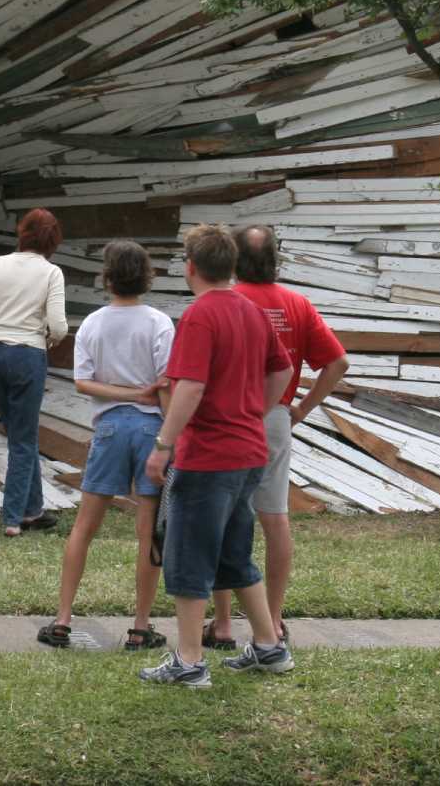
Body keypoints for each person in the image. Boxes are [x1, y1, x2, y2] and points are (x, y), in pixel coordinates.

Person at [137, 224, 293, 688]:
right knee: (233, 552)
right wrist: (253, 410)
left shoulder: (201, 315)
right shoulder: (250, 311)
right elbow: (282, 369)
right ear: (231, 266)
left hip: (208, 455)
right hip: (249, 451)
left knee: (187, 555)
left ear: (190, 267)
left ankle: (188, 660)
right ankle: (269, 646)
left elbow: (190, 386)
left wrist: (164, 445)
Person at [206, 224, 350, 649]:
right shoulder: (297, 304)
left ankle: (223, 623)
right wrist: (302, 408)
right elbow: (338, 363)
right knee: (275, 517)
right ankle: (274, 619)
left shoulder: (225, 302)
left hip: (229, 417)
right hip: (275, 419)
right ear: (275, 258)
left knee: (221, 517)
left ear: (234, 257)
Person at [36, 240, 172, 652]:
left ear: (107, 277)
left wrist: (123, 393)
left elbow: (82, 381)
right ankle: (140, 625)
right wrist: (156, 414)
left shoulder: (93, 323)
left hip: (109, 426)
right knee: (147, 531)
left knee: (85, 525)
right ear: (146, 277)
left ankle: (62, 619)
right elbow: (166, 384)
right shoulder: (159, 323)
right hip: (151, 429)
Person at [0, 208, 68, 537]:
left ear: (22, 233)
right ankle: (13, 517)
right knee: (24, 439)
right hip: (28, 352)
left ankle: (33, 509)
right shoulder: (51, 273)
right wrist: (50, 338)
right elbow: (58, 325)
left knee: (17, 432)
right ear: (53, 239)